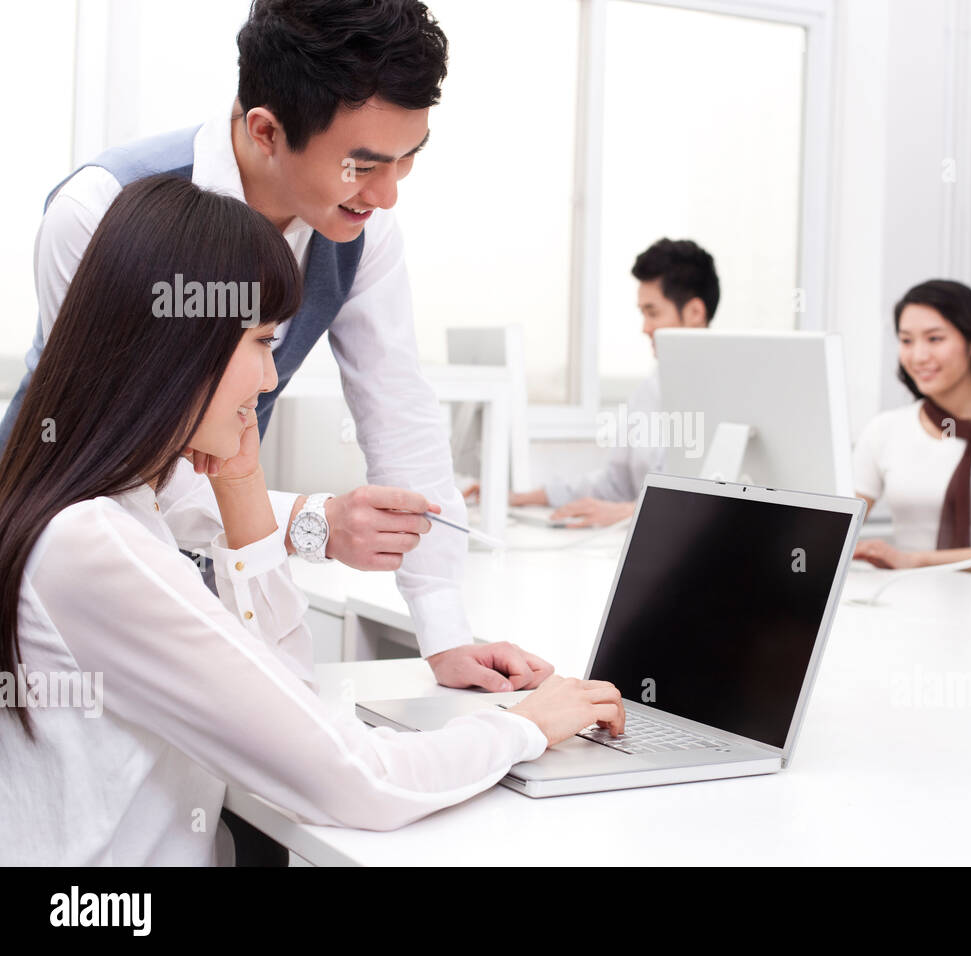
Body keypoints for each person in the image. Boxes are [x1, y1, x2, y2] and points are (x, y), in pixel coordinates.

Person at [0, 176, 625, 866]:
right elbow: (355, 779)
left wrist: (243, 492)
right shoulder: (94, 546)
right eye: (263, 342)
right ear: (180, 347)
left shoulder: (103, 514)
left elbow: (292, 696)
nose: (269, 380)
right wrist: (525, 728)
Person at [0, 0, 549, 693]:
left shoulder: (361, 230)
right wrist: (312, 521)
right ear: (266, 130)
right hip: (55, 568)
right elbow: (120, 459)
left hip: (206, 559)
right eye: (363, 164)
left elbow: (399, 413)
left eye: (407, 160)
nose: (386, 194)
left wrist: (444, 636)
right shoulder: (101, 210)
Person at [504, 238, 719, 527]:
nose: (645, 328)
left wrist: (627, 514)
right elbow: (614, 485)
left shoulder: (732, 396)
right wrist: (521, 497)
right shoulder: (650, 390)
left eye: (653, 312)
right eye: (642, 313)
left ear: (694, 313)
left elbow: (717, 503)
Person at [852, 280, 971, 578]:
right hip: (904, 599)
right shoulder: (885, 430)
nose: (918, 356)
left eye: (935, 339)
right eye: (906, 341)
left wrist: (914, 561)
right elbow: (837, 526)